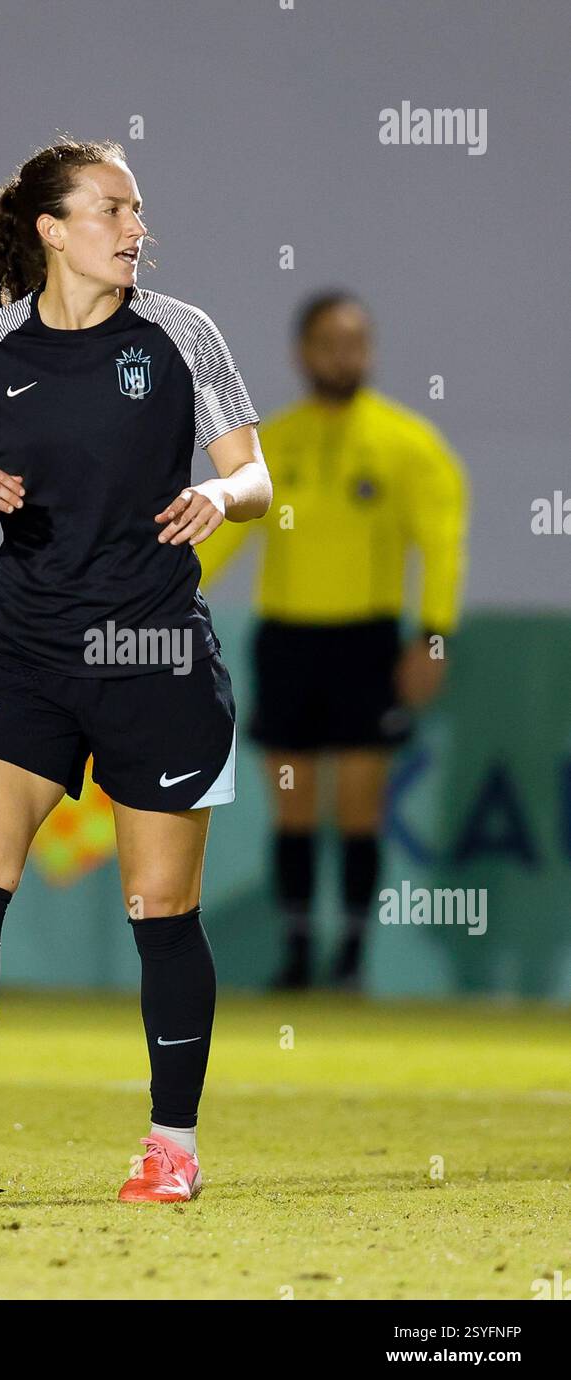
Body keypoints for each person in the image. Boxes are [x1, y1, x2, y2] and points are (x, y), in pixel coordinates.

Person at [0, 139, 271, 1203]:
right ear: (50, 229)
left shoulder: (182, 335)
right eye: (112, 208)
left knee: (156, 906)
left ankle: (170, 1145)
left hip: (153, 653)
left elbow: (254, 475)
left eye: (138, 211)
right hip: (27, 651)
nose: (136, 228)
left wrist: (221, 499)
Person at [197, 291, 468, 990]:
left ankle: (348, 956)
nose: (341, 354)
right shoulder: (271, 446)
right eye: (327, 341)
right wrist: (156, 595)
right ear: (302, 351)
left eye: (354, 341)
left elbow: (442, 545)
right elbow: (222, 537)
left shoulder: (408, 445)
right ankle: (294, 952)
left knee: (357, 801)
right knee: (292, 801)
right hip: (288, 641)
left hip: (366, 644)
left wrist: (433, 636)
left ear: (369, 350)